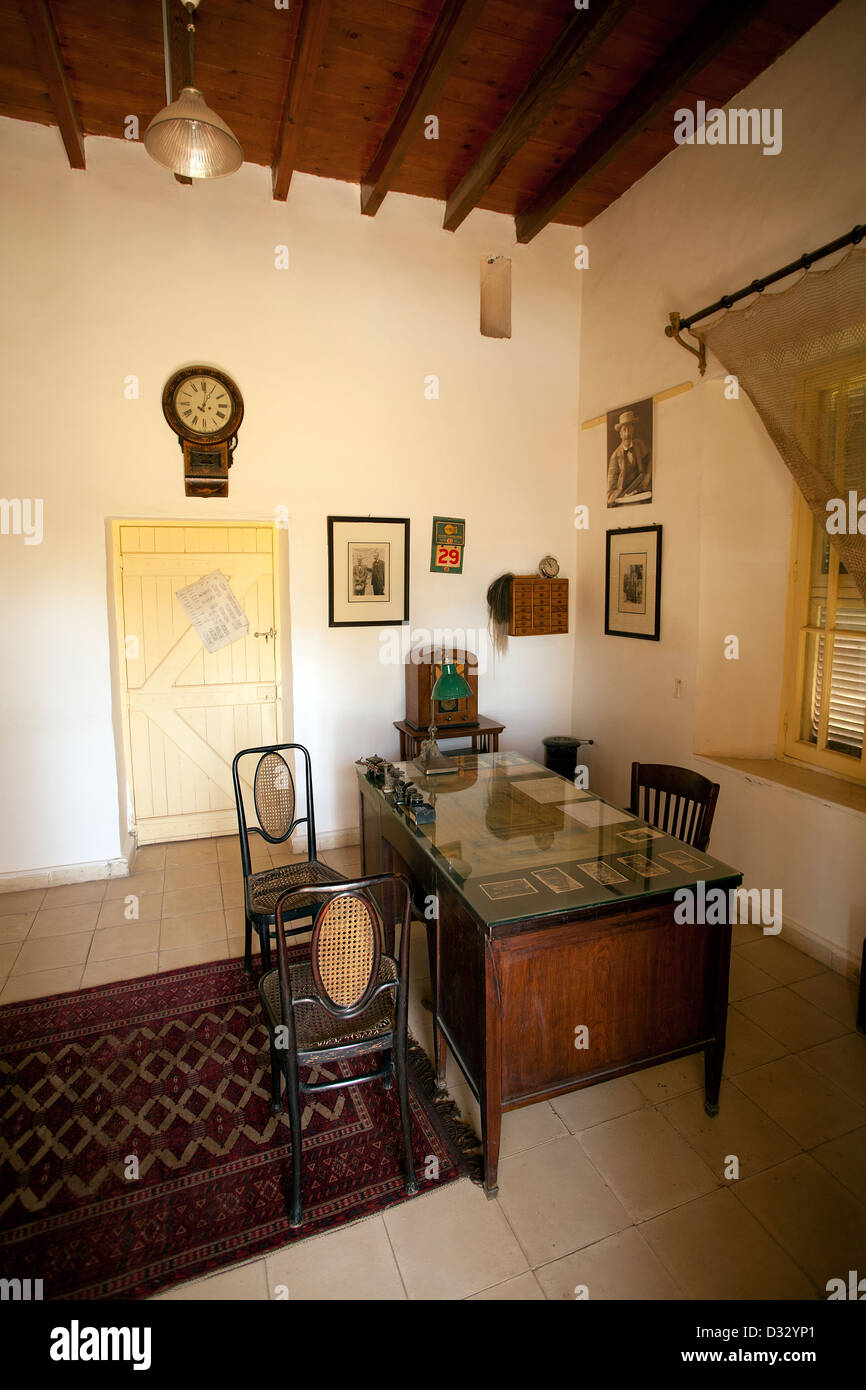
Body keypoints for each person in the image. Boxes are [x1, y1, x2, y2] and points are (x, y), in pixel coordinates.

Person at [607, 409, 651, 505]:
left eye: (630, 429)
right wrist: (617, 496)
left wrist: (647, 475)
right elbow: (610, 487)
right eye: (624, 430)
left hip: (640, 491)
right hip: (623, 496)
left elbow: (650, 459)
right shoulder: (615, 456)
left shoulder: (639, 445)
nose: (627, 434)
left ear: (633, 429)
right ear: (620, 434)